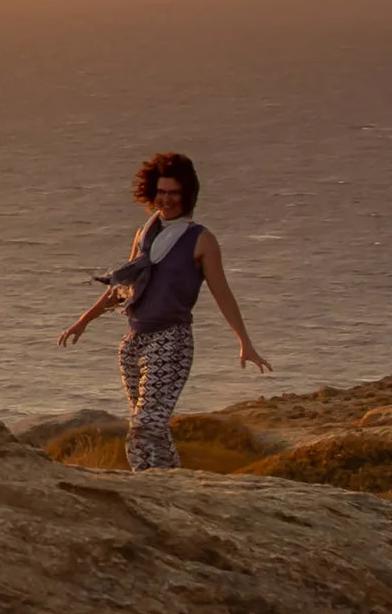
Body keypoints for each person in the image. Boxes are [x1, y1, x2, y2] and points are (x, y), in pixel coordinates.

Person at [58, 152, 270, 470]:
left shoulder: (201, 240)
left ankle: (147, 489)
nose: (167, 199)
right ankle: (172, 485)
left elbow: (222, 293)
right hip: (134, 343)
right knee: (153, 430)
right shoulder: (145, 236)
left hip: (171, 341)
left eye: (174, 193)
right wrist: (83, 321)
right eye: (161, 192)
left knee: (145, 427)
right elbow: (121, 290)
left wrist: (244, 342)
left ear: (188, 195)